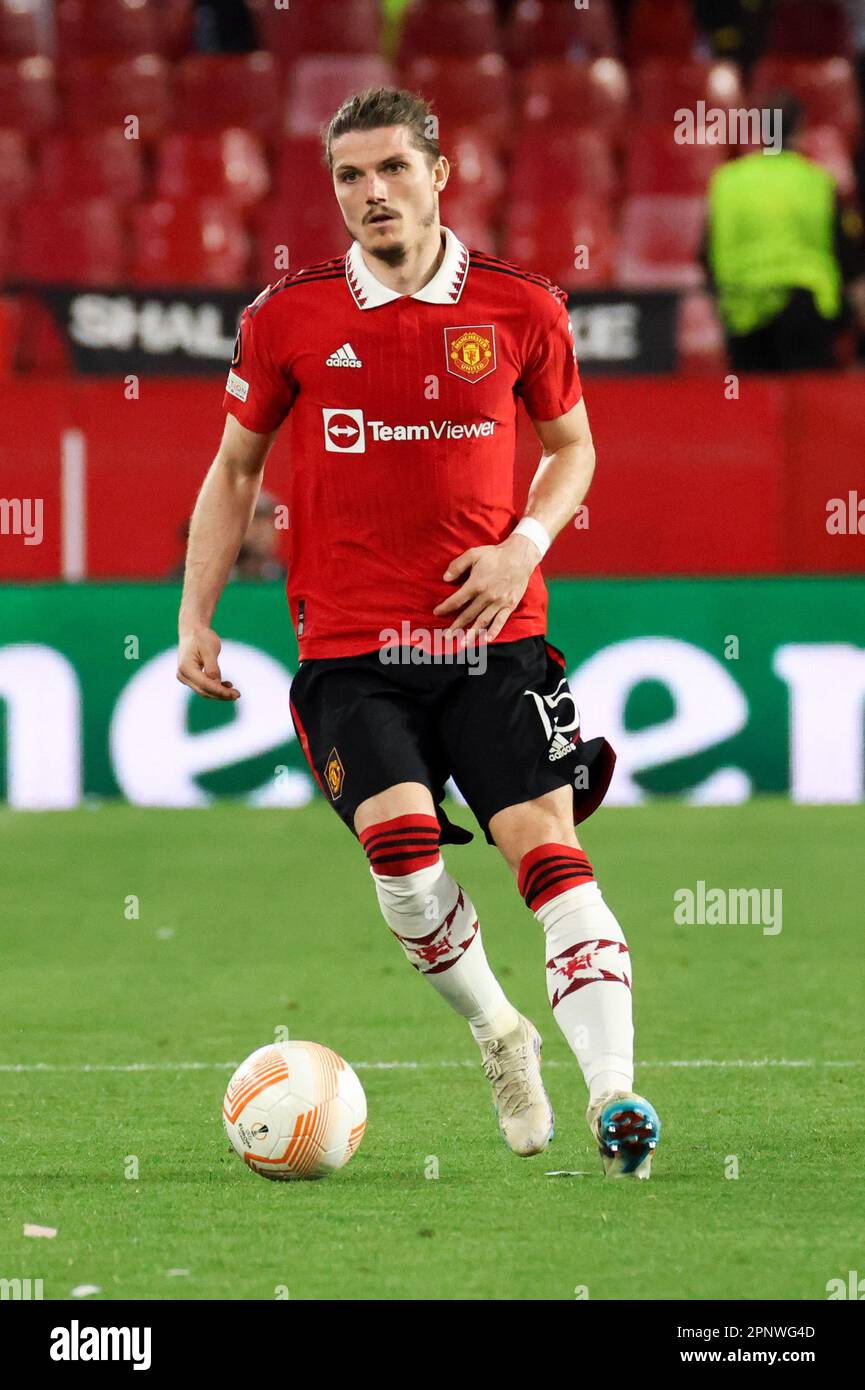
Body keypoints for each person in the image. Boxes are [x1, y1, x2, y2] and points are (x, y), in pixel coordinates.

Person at [176, 88, 660, 1179]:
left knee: (547, 852)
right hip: (351, 652)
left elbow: (573, 449)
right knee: (400, 857)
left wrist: (522, 546)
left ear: (440, 174)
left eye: (392, 168)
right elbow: (235, 468)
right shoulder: (287, 317)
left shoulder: (522, 307)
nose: (372, 192)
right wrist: (195, 613)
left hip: (493, 639)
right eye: (350, 176)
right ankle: (498, 1031)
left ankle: (614, 1093)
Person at [704, 92, 865, 371]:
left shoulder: (726, 181)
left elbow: (705, 254)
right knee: (809, 394)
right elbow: (848, 260)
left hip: (743, 317)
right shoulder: (816, 182)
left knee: (750, 395)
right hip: (807, 314)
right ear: (799, 131)